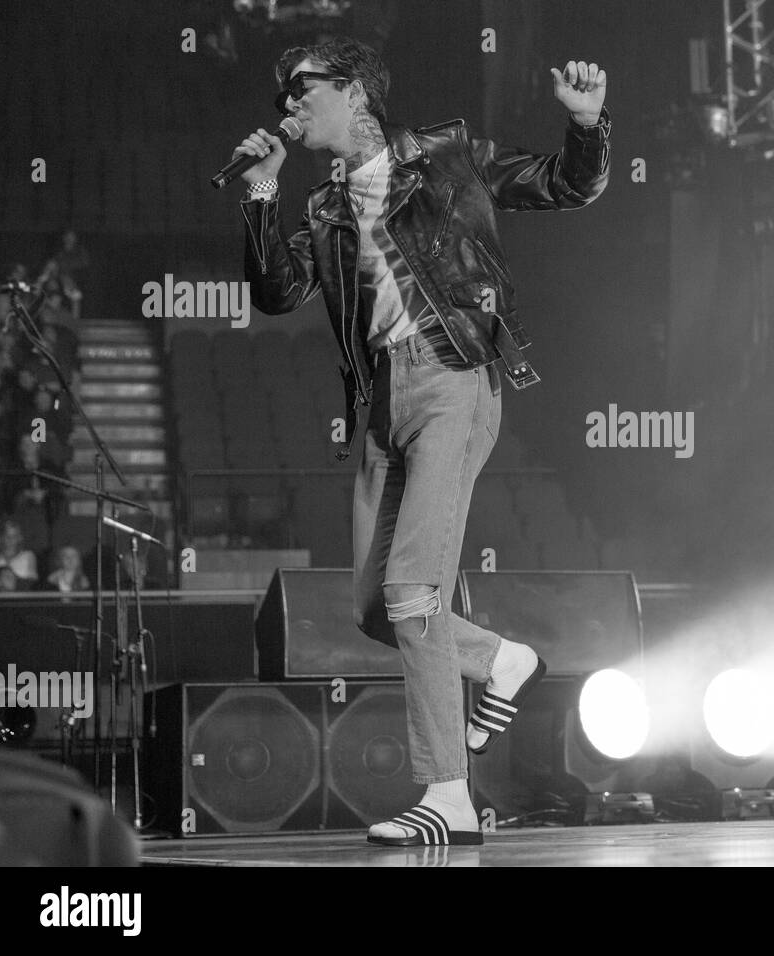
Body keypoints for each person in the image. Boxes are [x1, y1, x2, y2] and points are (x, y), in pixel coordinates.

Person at [233, 37, 610, 846]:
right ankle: (505, 661)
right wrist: (262, 191)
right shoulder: (325, 208)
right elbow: (274, 294)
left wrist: (586, 125)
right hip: (381, 407)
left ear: (357, 91)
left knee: (413, 594)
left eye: (301, 91)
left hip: (450, 377)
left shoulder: (447, 152)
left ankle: (448, 797)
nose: (288, 108)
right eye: (282, 100)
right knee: (376, 609)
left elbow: (567, 185)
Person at [0, 518, 38, 587]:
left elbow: (33, 581)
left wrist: (11, 580)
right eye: (7, 536)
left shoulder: (28, 556)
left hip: (22, 596)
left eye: (14, 536)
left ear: (20, 538)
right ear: (1, 538)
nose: (11, 540)